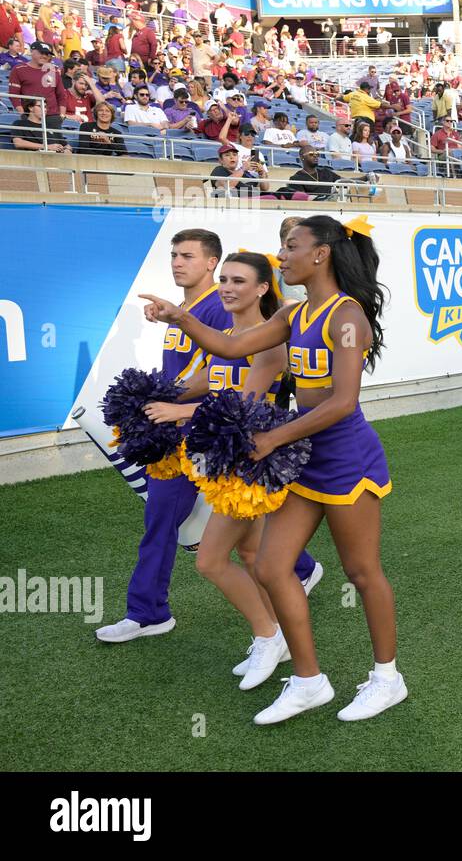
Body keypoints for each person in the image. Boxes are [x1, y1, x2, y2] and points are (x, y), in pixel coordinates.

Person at [140, 215, 405, 724]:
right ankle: (309, 681)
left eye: (291, 246)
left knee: (362, 572)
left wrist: (271, 439)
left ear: (321, 254)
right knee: (269, 565)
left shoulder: (346, 318)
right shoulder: (295, 312)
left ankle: (387, 678)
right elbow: (233, 347)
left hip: (348, 459)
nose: (282, 256)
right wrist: (181, 317)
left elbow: (345, 402)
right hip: (304, 456)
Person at [97, 230, 319, 645]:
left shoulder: (219, 313)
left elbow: (241, 396)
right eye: (174, 255)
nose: (178, 263)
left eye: (187, 256)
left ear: (211, 261)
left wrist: (178, 409)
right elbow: (214, 374)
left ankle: (275, 627)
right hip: (195, 434)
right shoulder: (190, 309)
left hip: (217, 438)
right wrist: (158, 397)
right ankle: (281, 614)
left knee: (217, 545)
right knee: (229, 541)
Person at [140, 252, 304, 690]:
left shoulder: (268, 344)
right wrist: (145, 397)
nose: (227, 288)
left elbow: (243, 406)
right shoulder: (227, 335)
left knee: (211, 561)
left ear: (263, 289)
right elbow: (203, 384)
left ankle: (267, 636)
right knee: (252, 557)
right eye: (225, 280)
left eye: (238, 281)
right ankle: (280, 636)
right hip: (224, 464)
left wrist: (177, 410)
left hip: (250, 467)